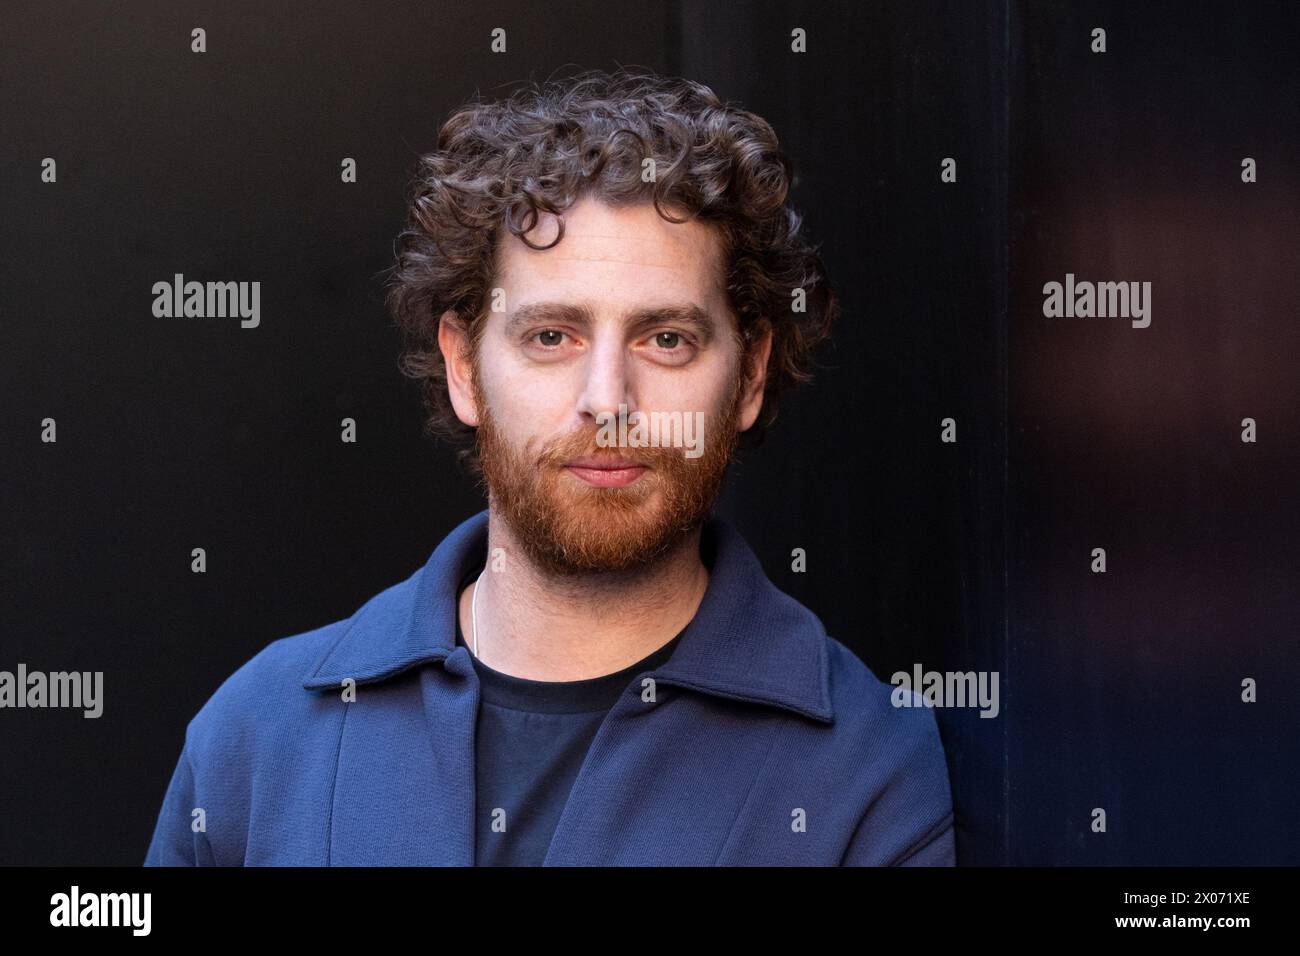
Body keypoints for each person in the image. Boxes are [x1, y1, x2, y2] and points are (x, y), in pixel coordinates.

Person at [144, 67, 955, 866]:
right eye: (551, 337)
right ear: (464, 368)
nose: (607, 401)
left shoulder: (868, 773)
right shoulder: (259, 733)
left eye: (666, 339)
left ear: (747, 376)